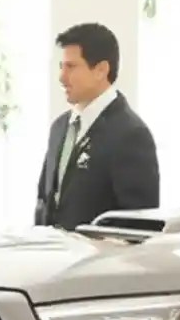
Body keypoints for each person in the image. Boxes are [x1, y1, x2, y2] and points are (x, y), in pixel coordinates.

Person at [34, 22, 160, 230]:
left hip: (99, 261)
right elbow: (44, 202)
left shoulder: (131, 135)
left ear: (101, 70)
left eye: (71, 67)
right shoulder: (59, 127)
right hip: (53, 259)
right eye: (61, 66)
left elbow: (139, 226)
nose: (62, 77)